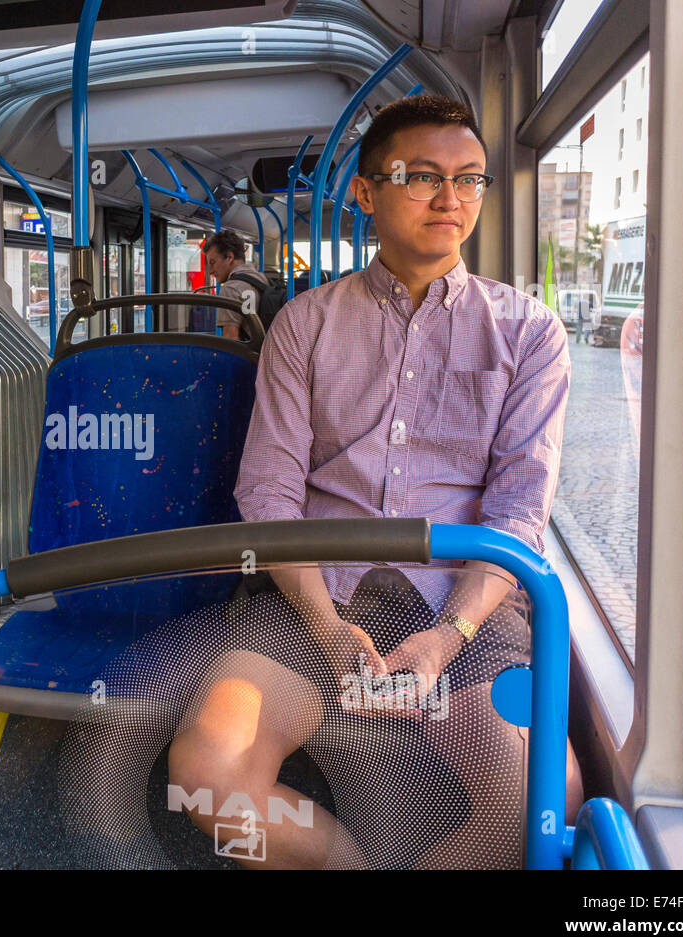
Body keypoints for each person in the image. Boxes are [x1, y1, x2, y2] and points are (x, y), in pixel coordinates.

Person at [167, 94, 584, 869]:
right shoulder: (306, 324)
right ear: (364, 192)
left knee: (542, 793)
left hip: (461, 605)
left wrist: (449, 634)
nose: (451, 198)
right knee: (207, 779)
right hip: (313, 596)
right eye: (422, 175)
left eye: (470, 179)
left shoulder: (528, 335)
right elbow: (269, 493)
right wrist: (325, 625)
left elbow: (521, 511)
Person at [204, 230, 269, 340]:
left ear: (229, 257)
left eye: (213, 262)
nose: (210, 271)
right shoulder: (261, 279)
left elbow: (231, 338)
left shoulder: (230, 289)